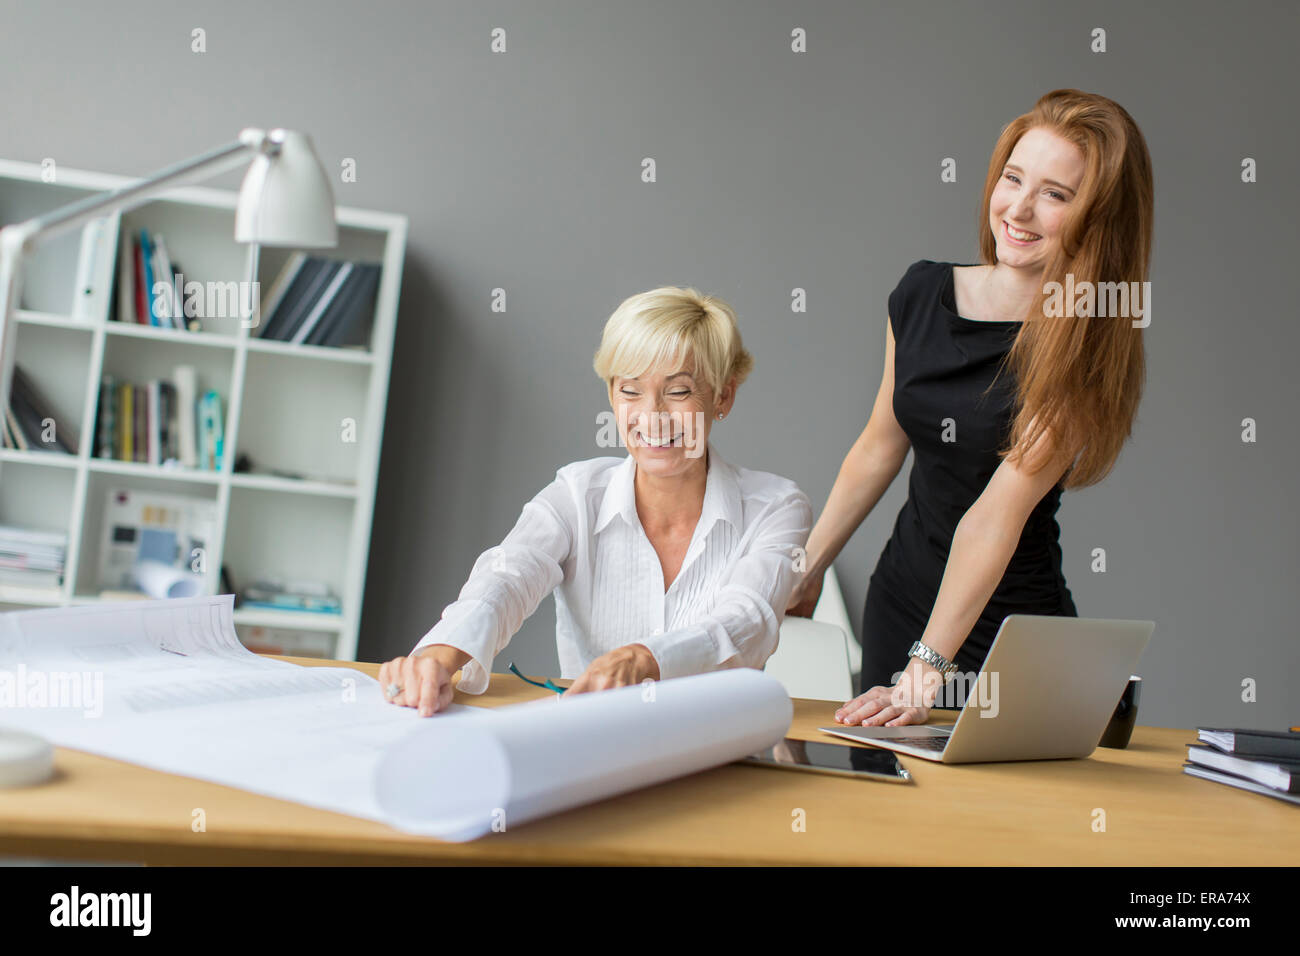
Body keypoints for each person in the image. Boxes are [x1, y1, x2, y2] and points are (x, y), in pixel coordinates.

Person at [786, 88, 1154, 728]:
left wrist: (929, 666)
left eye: (1055, 195)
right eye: (1013, 178)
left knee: (985, 826)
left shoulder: (1084, 343)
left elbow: (996, 515)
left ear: (1097, 220)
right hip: (902, 600)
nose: (1019, 207)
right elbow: (880, 443)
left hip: (1010, 637)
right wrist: (805, 568)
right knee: (881, 811)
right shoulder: (923, 292)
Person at [383, 287, 813, 715]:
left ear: (722, 396)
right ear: (611, 396)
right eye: (631, 391)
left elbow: (746, 624)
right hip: (595, 745)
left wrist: (644, 659)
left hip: (720, 752)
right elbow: (507, 575)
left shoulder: (775, 507)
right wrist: (440, 654)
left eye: (679, 391)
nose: (653, 416)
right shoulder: (576, 494)